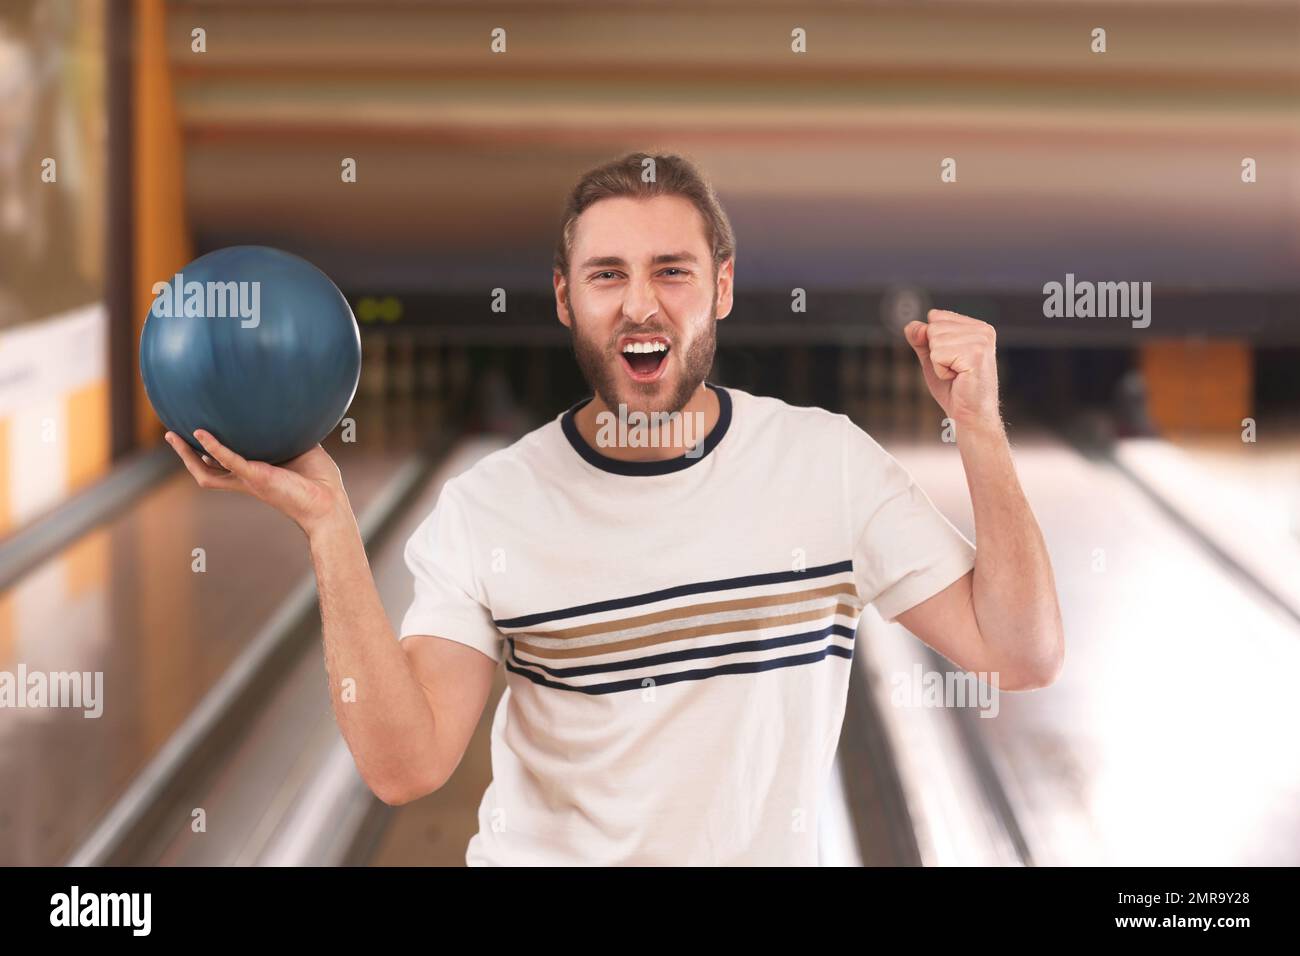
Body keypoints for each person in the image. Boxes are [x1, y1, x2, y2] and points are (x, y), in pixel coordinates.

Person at [166, 151, 1064, 866]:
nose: (641, 302)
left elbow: (1021, 652)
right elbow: (405, 767)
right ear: (565, 298)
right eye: (607, 275)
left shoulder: (825, 464)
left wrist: (979, 428)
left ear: (721, 287)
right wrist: (330, 529)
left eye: (672, 270)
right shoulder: (491, 507)